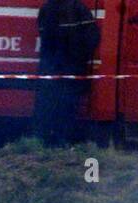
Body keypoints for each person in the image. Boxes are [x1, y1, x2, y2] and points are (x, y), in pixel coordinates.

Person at [34, 0, 100, 146]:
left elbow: (44, 37)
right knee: (68, 106)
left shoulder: (46, 8)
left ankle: (48, 142)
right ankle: (63, 142)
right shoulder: (79, 8)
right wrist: (80, 58)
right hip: (71, 69)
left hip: (52, 69)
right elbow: (93, 37)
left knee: (50, 105)